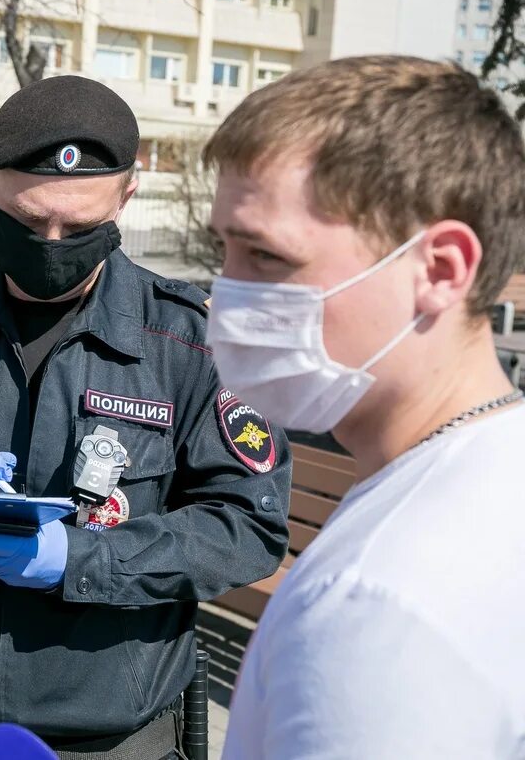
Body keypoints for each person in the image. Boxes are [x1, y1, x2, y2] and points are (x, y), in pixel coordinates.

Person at [0, 75, 292, 759]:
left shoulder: (189, 344)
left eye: (82, 227)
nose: (53, 243)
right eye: (30, 223)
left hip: (113, 738)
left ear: (126, 196)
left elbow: (248, 525)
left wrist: (78, 556)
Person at [209, 56, 525, 758]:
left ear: (440, 270)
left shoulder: (380, 603)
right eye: (221, 250)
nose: (225, 295)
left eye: (266, 257)